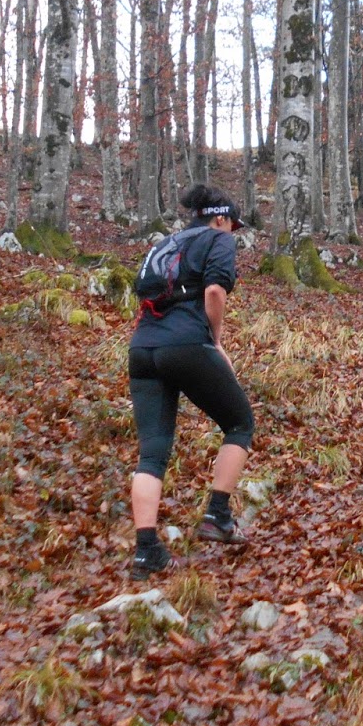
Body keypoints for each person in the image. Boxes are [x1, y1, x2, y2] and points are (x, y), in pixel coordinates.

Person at [125, 183, 255, 580]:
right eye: (232, 225)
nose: (232, 232)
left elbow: (145, 291)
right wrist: (214, 341)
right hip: (186, 344)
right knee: (239, 424)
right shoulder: (218, 239)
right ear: (220, 219)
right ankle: (217, 515)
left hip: (143, 348)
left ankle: (147, 550)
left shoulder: (165, 245)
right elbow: (214, 289)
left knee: (152, 453)